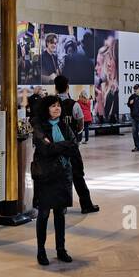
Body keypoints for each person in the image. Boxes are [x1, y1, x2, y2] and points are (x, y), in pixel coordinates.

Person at [30, 96, 78, 266]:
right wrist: (64, 145)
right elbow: (45, 149)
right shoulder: (38, 126)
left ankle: (61, 249)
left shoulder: (64, 125)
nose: (57, 108)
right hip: (46, 176)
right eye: (53, 106)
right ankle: (41, 251)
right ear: (46, 109)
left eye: (58, 106)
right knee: (43, 214)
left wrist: (56, 146)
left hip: (62, 175)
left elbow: (74, 146)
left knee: (60, 213)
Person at [53, 75, 98, 214]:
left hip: (56, 147)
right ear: (67, 87)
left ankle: (60, 206)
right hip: (71, 146)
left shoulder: (51, 105)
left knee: (58, 176)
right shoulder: (74, 105)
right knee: (77, 175)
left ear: (55, 88)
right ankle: (86, 205)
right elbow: (80, 124)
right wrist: (75, 136)